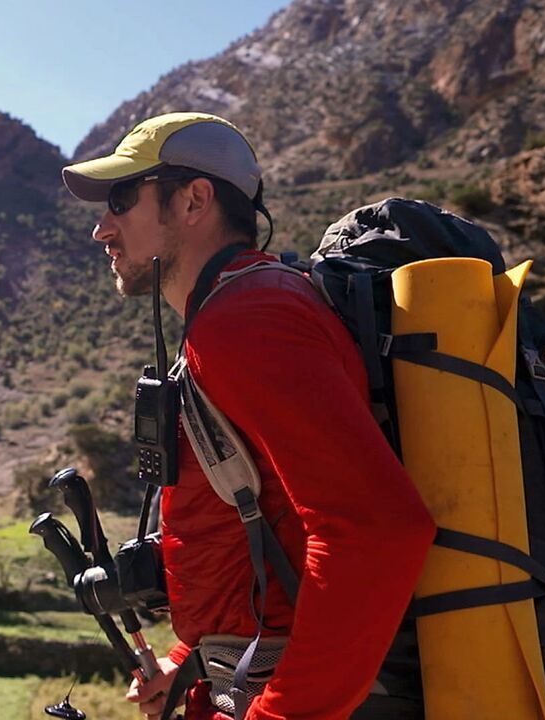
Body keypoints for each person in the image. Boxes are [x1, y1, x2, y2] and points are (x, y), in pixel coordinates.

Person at [60, 113, 437, 719]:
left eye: (122, 200)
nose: (101, 229)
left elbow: (375, 530)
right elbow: (256, 531)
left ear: (193, 200)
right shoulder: (233, 313)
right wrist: (190, 660)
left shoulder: (249, 319)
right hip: (247, 678)